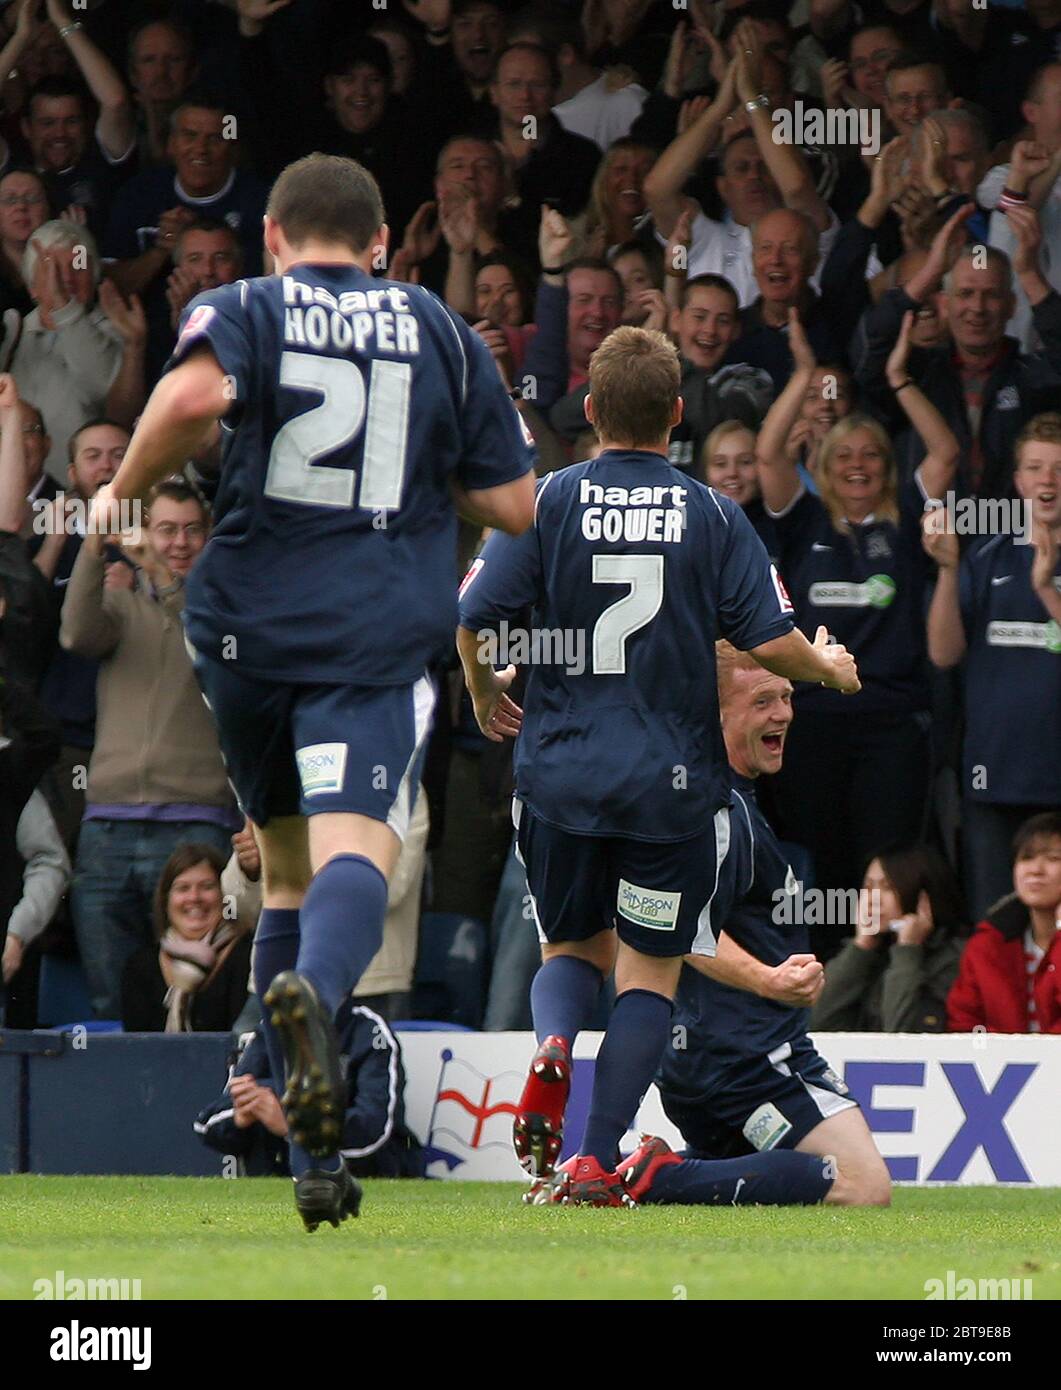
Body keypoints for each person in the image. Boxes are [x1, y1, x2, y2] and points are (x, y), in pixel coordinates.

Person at [94, 153, 536, 1232]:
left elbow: (193, 394)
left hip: (240, 631)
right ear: (380, 243)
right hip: (369, 633)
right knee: (354, 859)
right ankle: (315, 1006)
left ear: (277, 239)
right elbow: (518, 504)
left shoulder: (245, 302)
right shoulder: (434, 326)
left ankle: (308, 1153)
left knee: (281, 867)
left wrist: (121, 488)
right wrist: (430, 473)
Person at [457, 324, 860, 1206]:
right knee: (649, 969)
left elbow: (473, 611)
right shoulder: (714, 514)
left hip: (559, 773)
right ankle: (592, 1160)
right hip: (668, 786)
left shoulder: (548, 498)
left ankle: (553, 1046)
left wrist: (485, 692)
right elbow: (768, 640)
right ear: (678, 416)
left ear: (592, 411)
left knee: (571, 946)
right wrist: (826, 668)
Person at [606, 641, 891, 1208]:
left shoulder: (728, 801)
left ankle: (627, 1174)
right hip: (748, 1059)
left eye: (787, 696)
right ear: (713, 714)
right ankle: (651, 1178)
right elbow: (670, 925)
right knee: (863, 1187)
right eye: (763, 701)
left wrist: (817, 661)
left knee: (731, 1174)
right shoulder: (712, 810)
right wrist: (766, 978)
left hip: (708, 1060)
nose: (783, 712)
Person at [756, 307, 958, 945]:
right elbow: (767, 454)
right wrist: (806, 374)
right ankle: (823, 984)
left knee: (887, 865)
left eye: (872, 454)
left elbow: (947, 451)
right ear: (824, 462)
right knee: (821, 865)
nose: (859, 464)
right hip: (814, 724)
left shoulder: (903, 524)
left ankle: (879, 982)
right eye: (844, 454)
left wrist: (898, 380)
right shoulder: (805, 519)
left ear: (887, 465)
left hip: (893, 724)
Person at [62, 477, 238, 1021]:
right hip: (108, 826)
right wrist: (96, 544)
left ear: (209, 539)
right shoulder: (119, 609)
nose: (178, 542)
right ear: (144, 533)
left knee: (196, 995)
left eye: (191, 531)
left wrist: (163, 579)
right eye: (165, 530)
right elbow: (74, 633)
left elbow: (209, 647)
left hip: (195, 824)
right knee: (111, 1002)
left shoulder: (226, 613)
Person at [923, 412, 1061, 919]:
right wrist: (947, 569)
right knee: (995, 924)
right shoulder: (988, 556)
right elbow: (944, 654)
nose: (1048, 480)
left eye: (1059, 468)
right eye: (1036, 468)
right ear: (1019, 480)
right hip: (995, 774)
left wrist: (1046, 588)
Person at [194, 1002, 425, 1188]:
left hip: (363, 1187)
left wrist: (296, 1125)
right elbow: (206, 1124)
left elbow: (373, 1130)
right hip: (272, 1190)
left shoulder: (368, 1030)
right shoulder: (270, 1029)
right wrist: (241, 1116)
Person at [811, 846, 968, 1031]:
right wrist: (862, 945)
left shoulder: (954, 960)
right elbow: (819, 1023)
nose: (873, 899)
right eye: (868, 887)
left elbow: (902, 1038)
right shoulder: (868, 955)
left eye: (888, 888)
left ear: (922, 897)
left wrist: (907, 951)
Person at [120, 842, 254, 1033]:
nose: (194, 897)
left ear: (226, 896)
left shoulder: (247, 956)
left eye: (207, 887)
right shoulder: (140, 965)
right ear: (166, 901)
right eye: (182, 888)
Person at [947, 813, 1061, 1033]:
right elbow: (964, 1022)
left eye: (1054, 858)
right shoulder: (988, 943)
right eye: (1026, 858)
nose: (1035, 870)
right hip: (1000, 1067)